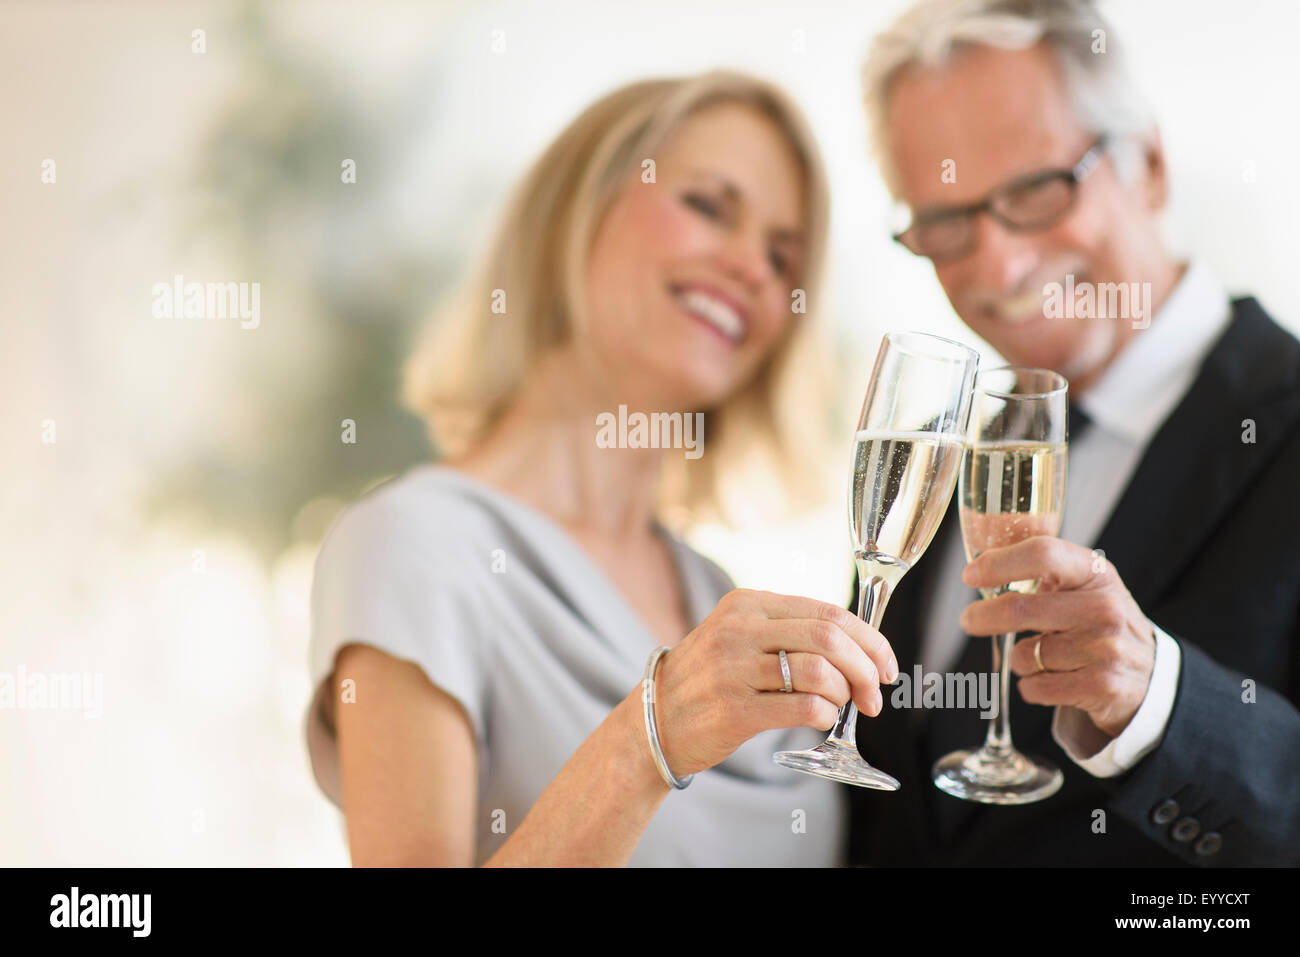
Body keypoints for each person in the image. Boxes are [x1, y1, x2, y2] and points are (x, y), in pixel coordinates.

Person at [303, 71, 899, 866]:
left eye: (783, 256)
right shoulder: (413, 547)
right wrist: (648, 737)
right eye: (708, 206)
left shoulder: (716, 597)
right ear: (575, 213)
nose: (756, 270)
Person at [847, 0, 1300, 866]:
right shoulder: (951, 450)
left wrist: (1157, 701)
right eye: (943, 221)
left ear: (1152, 167)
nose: (998, 266)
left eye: (1032, 190)